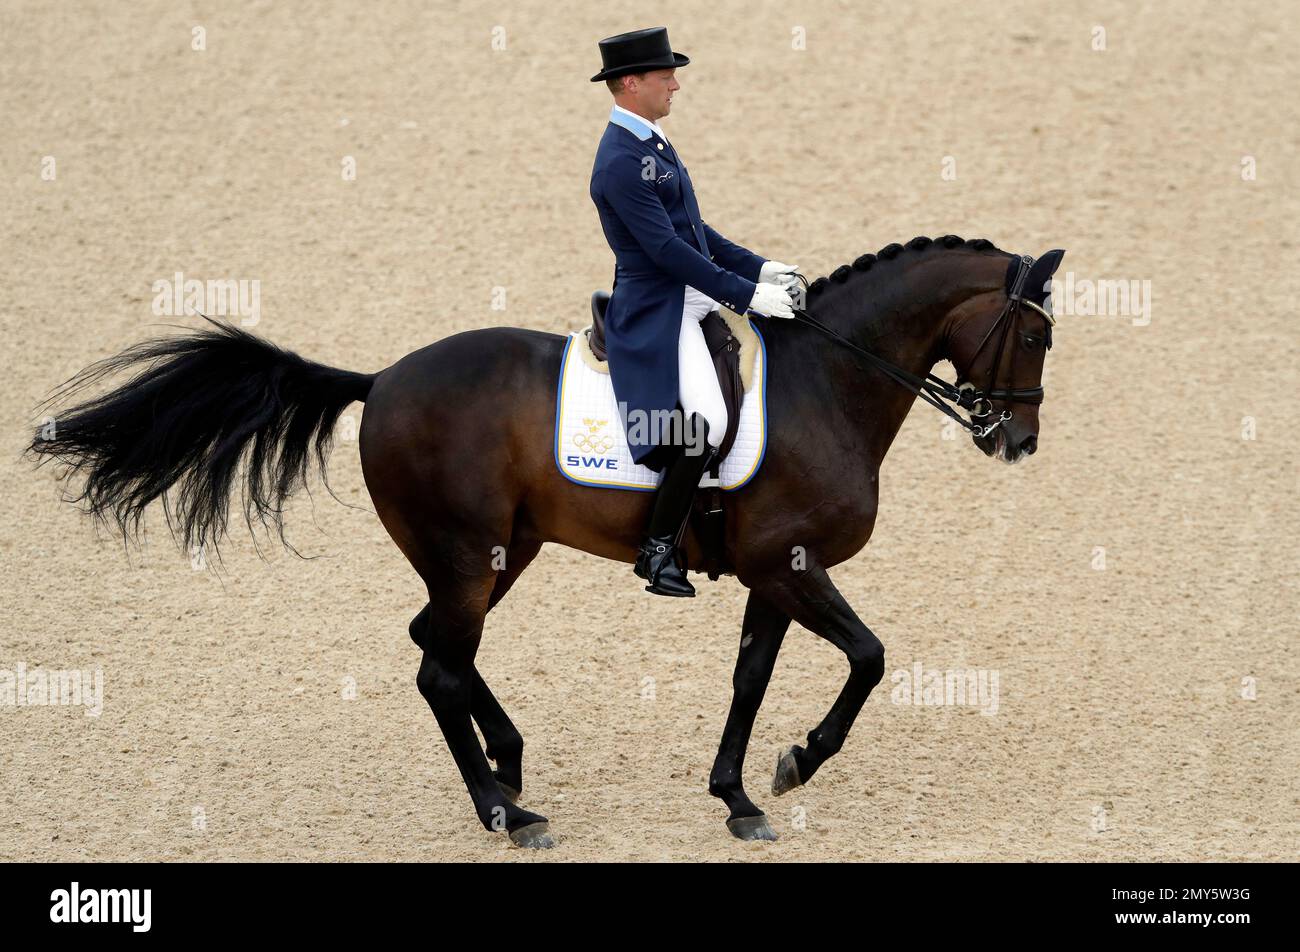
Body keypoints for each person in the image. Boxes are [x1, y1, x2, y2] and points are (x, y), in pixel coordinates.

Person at [588, 26, 801, 597]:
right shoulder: (619, 162)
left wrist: (761, 269)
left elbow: (694, 232)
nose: (675, 85)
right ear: (631, 83)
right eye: (666, 77)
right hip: (661, 306)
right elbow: (664, 251)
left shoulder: (652, 141)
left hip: (690, 288)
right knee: (702, 423)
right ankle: (657, 550)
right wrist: (744, 295)